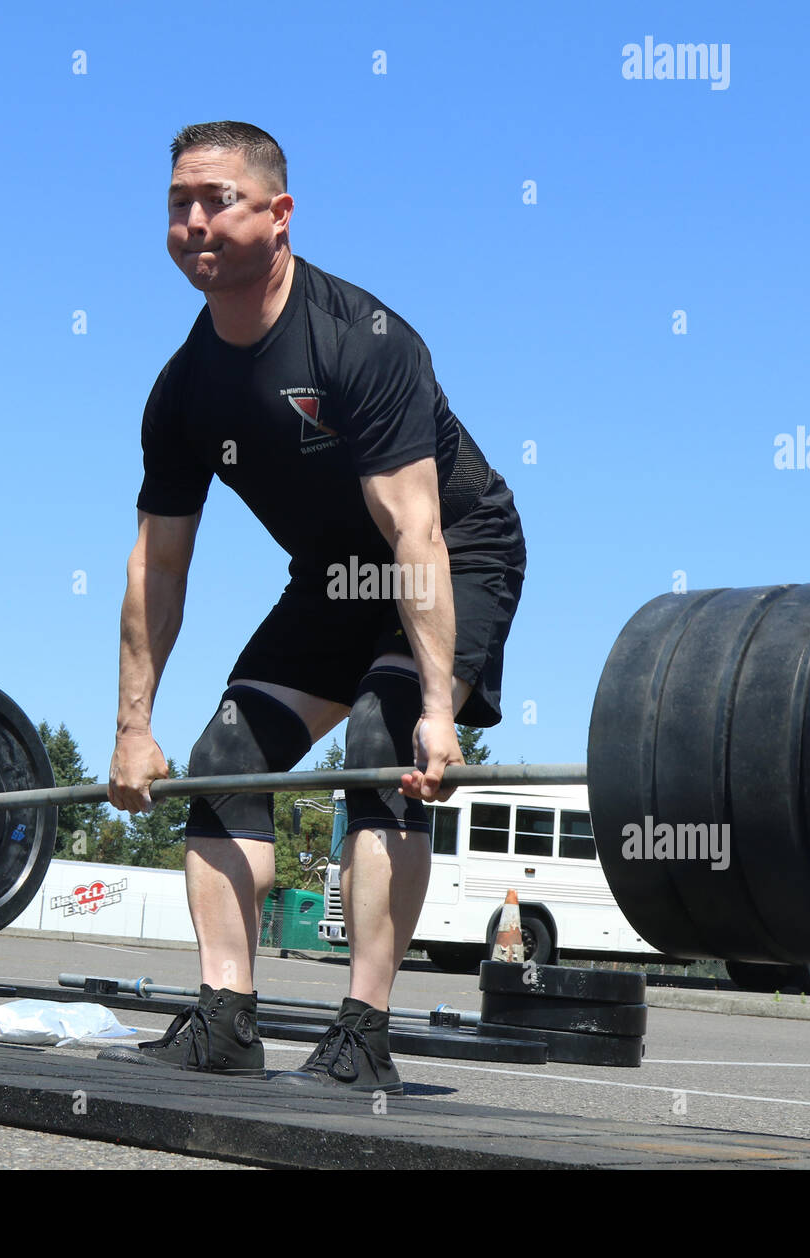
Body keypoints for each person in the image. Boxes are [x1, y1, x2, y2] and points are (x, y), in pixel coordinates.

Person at [99, 121, 526, 1095]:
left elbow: (415, 532)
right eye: (178, 203)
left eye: (218, 200)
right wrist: (133, 730)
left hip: (453, 557)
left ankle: (364, 1030)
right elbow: (157, 566)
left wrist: (435, 714)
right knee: (220, 761)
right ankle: (224, 1019)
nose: (194, 222)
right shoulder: (184, 391)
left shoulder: (359, 343)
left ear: (279, 216)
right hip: (335, 574)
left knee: (379, 747)